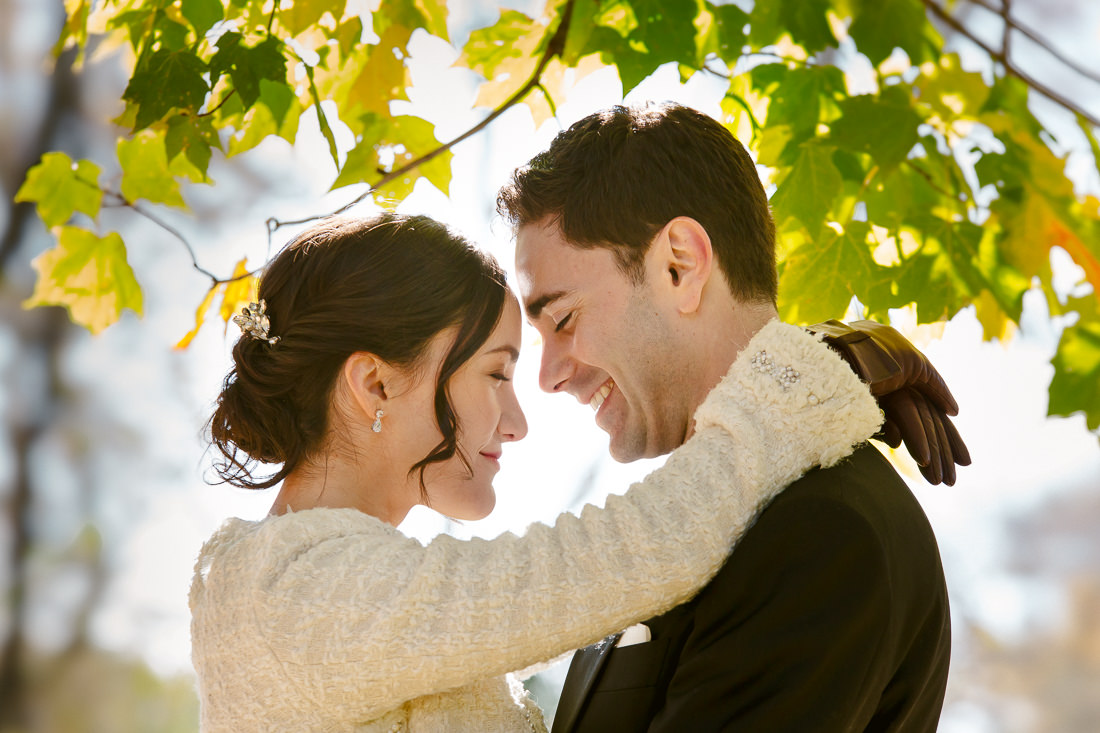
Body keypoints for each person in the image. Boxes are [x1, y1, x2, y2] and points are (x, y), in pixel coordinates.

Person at [189, 212, 956, 732]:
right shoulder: (288, 591)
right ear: (375, 384)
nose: (518, 420)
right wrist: (811, 373)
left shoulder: (314, 587)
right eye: (495, 373)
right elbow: (621, 553)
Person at [496, 101, 967, 733]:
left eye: (562, 319)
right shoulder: (678, 525)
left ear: (680, 266)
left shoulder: (822, 530)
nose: (549, 376)